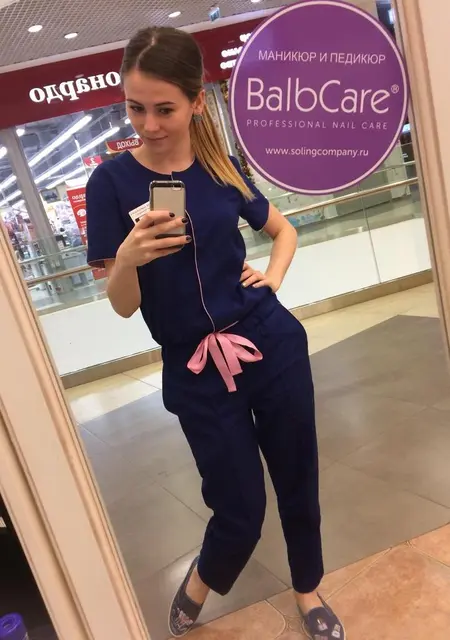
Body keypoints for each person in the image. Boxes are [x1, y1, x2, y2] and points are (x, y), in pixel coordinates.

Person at [86, 26, 345, 640]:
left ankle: (308, 588)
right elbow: (123, 306)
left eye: (165, 109)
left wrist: (271, 281)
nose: (149, 124)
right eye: (135, 108)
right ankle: (201, 580)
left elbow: (284, 231)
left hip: (269, 342)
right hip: (195, 369)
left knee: (298, 478)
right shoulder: (110, 184)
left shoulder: (219, 168)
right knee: (238, 506)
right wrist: (129, 258)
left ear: (196, 101)